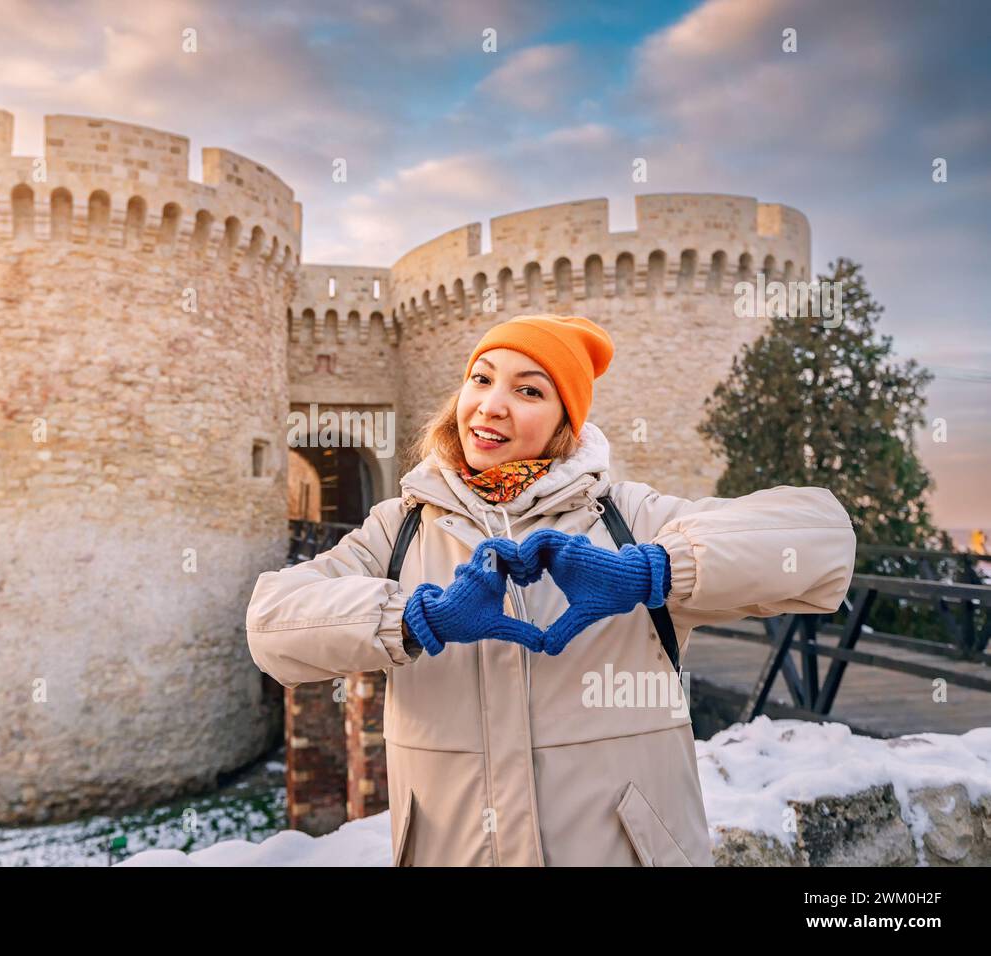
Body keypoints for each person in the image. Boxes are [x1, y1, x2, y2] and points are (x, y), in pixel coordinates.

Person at [245, 314, 857, 866]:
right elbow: (271, 625)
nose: (491, 405)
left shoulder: (627, 520)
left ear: (568, 418)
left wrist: (649, 572)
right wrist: (417, 617)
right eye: (481, 379)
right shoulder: (400, 528)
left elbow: (822, 541)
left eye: (529, 390)